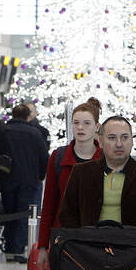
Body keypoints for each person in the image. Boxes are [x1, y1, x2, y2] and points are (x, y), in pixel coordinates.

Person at [58, 116, 136, 230]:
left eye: (125, 137)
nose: (119, 144)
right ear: (100, 141)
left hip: (135, 245)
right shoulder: (81, 172)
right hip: (89, 245)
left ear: (132, 141)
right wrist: (80, 242)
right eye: (112, 138)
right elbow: (67, 215)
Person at [38, 98, 103, 258]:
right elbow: (49, 204)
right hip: (63, 239)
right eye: (76, 123)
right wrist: (42, 246)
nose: (80, 127)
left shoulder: (106, 159)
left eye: (87, 123)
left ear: (97, 126)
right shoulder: (59, 156)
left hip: (97, 241)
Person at [0, 102, 49, 262]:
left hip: (7, 179)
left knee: (9, 212)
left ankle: (9, 248)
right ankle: (19, 249)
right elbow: (44, 157)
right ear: (28, 116)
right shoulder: (35, 133)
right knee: (23, 215)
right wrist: (41, 176)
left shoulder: (3, 131)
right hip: (29, 181)